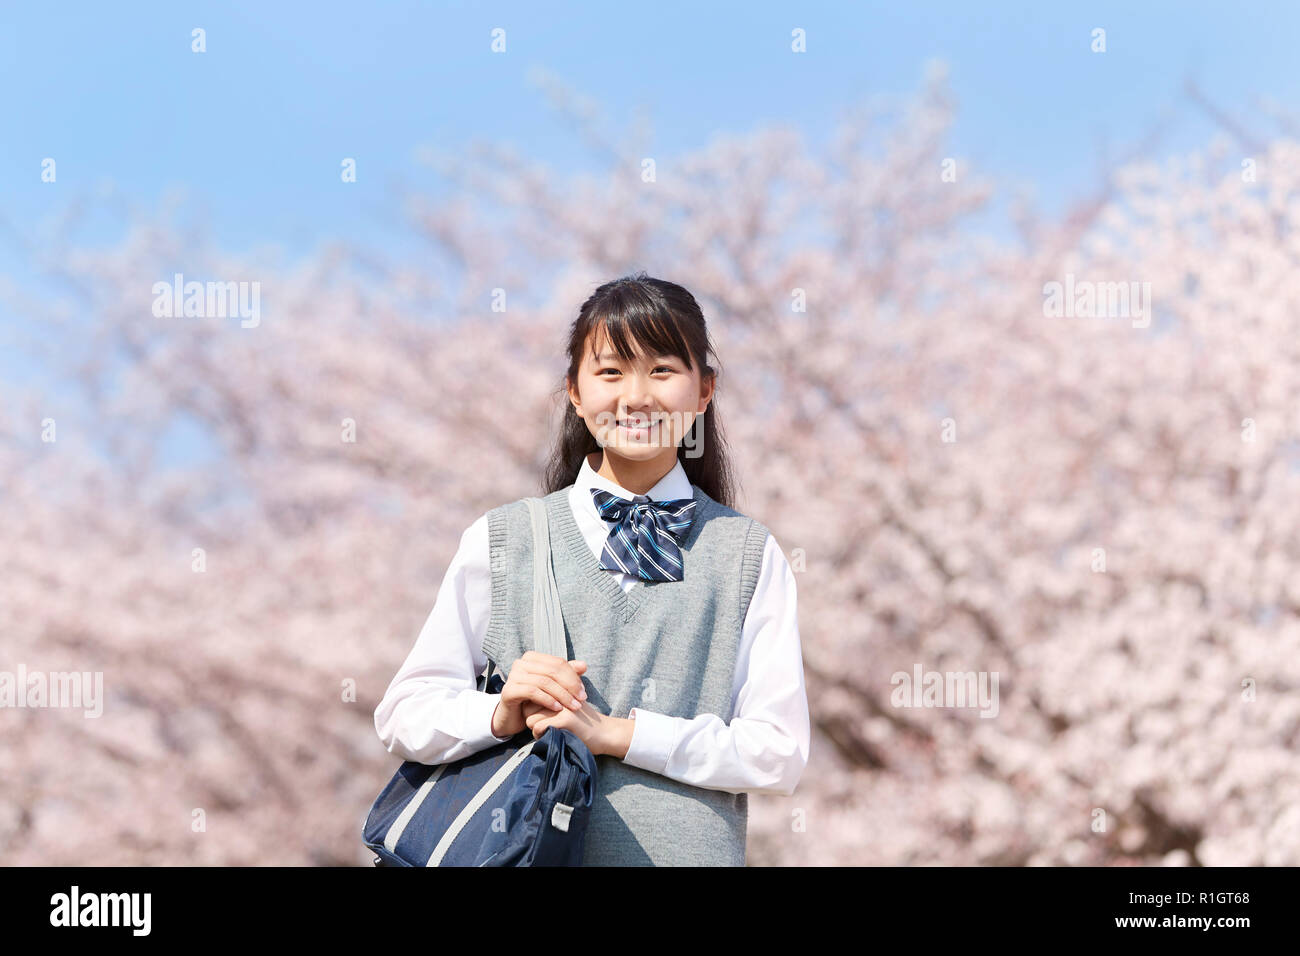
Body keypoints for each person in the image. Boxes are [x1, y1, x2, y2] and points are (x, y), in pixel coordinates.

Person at [373, 271, 809, 865]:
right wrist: (499, 713)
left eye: (661, 370)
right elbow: (404, 714)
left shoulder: (747, 555)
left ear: (704, 390)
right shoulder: (504, 541)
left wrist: (622, 735)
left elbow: (777, 751)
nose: (635, 397)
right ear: (574, 392)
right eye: (610, 372)